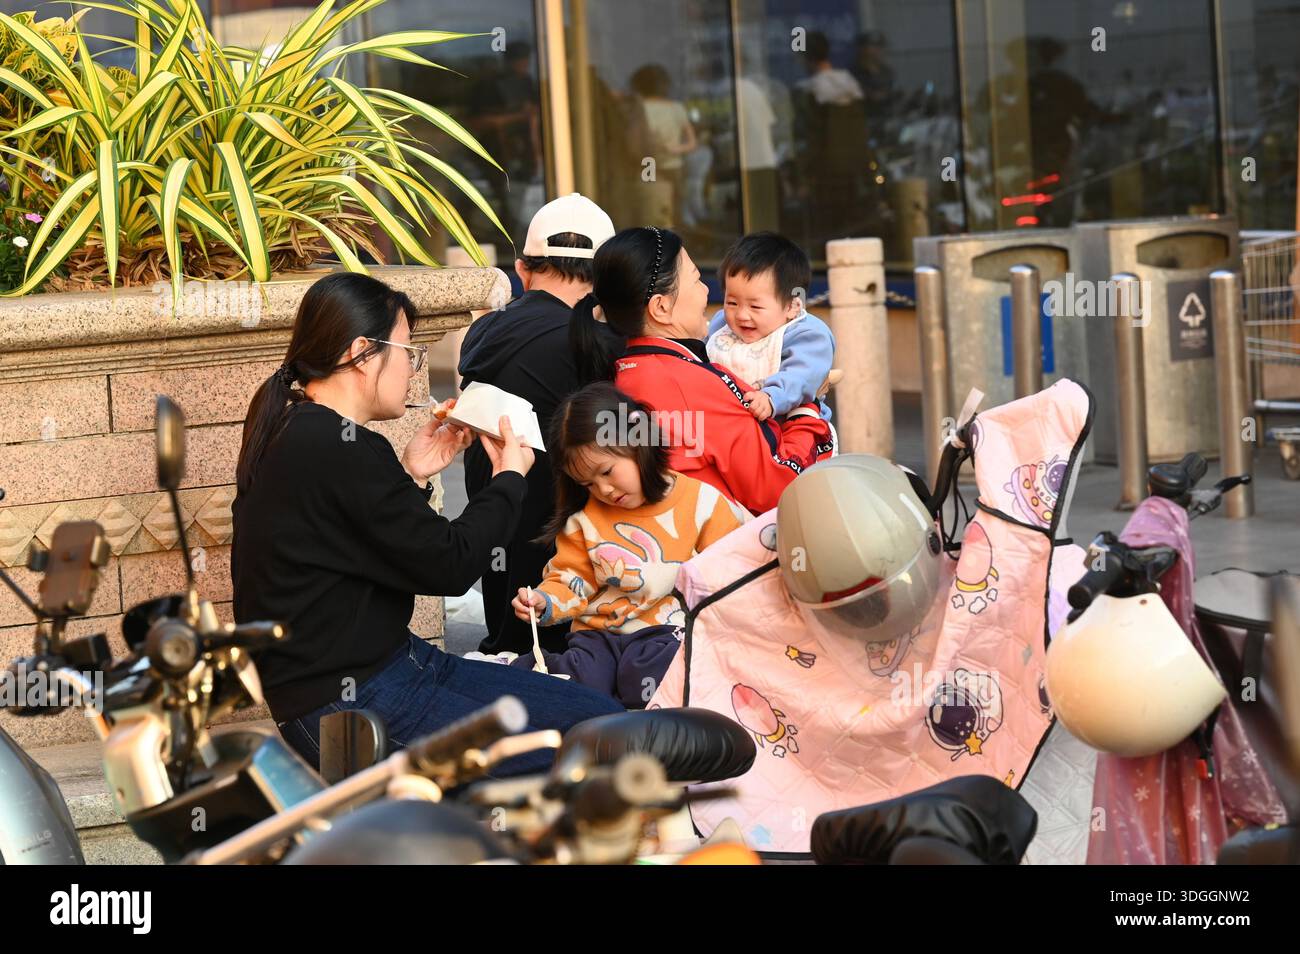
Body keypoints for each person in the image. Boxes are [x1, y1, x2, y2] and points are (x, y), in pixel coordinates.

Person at [231, 272, 621, 772]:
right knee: (596, 741)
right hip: (355, 704)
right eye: (408, 353)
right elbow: (450, 564)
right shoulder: (330, 444)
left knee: (599, 721)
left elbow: (383, 546)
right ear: (362, 353)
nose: (413, 372)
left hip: (390, 672)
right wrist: (508, 478)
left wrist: (412, 473)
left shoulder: (299, 427)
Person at [504, 382, 749, 707]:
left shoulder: (702, 503)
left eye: (607, 471)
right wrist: (543, 601)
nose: (603, 489)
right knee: (582, 687)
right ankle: (513, 672)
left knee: (648, 675)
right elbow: (571, 580)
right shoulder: (584, 520)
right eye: (588, 483)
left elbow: (731, 574)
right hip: (597, 635)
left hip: (666, 632)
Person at [569, 226, 833, 515]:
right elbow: (777, 488)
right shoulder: (688, 384)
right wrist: (807, 413)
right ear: (661, 307)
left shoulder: (626, 371)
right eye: (696, 280)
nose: (707, 291)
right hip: (720, 550)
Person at [458, 193, 617, 656]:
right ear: (603, 280)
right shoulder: (595, 343)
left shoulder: (483, 333)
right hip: (566, 607)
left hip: (500, 533)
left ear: (522, 269)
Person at [705, 232, 835, 426]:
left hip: (789, 428)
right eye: (732, 302)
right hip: (729, 424)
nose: (741, 315)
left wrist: (771, 397)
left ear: (792, 307)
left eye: (755, 306)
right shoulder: (721, 325)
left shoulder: (808, 335)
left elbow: (802, 375)